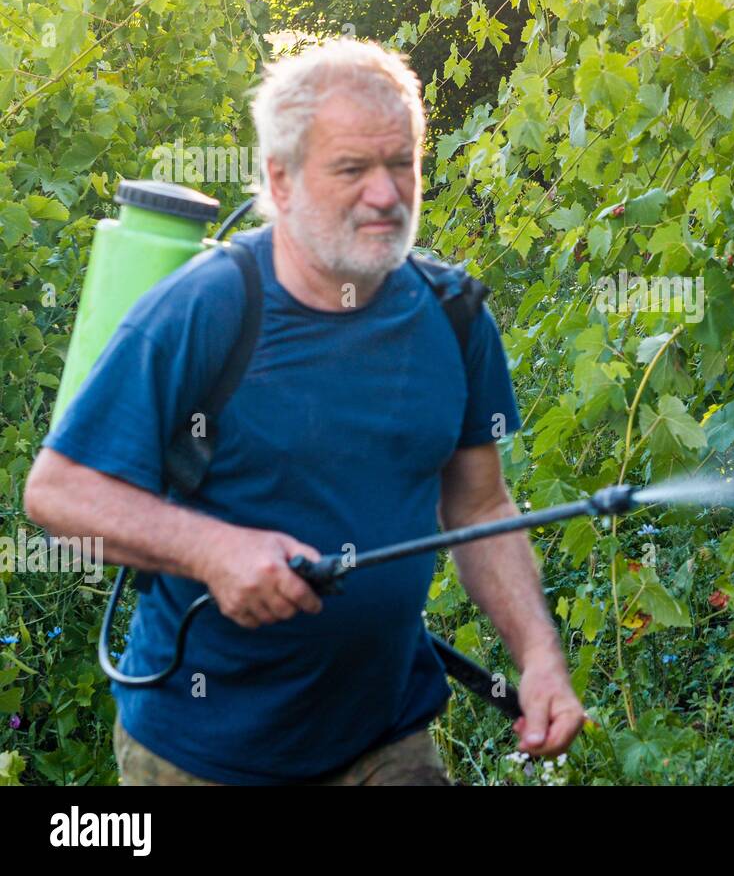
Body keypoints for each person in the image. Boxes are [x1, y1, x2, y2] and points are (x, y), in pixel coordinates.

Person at [23, 38, 586, 785]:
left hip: (384, 736)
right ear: (280, 181)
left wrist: (540, 656)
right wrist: (211, 551)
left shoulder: (454, 317)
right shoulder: (205, 308)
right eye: (353, 168)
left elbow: (480, 505)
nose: (387, 193)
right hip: (201, 754)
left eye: (402, 163)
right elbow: (56, 492)